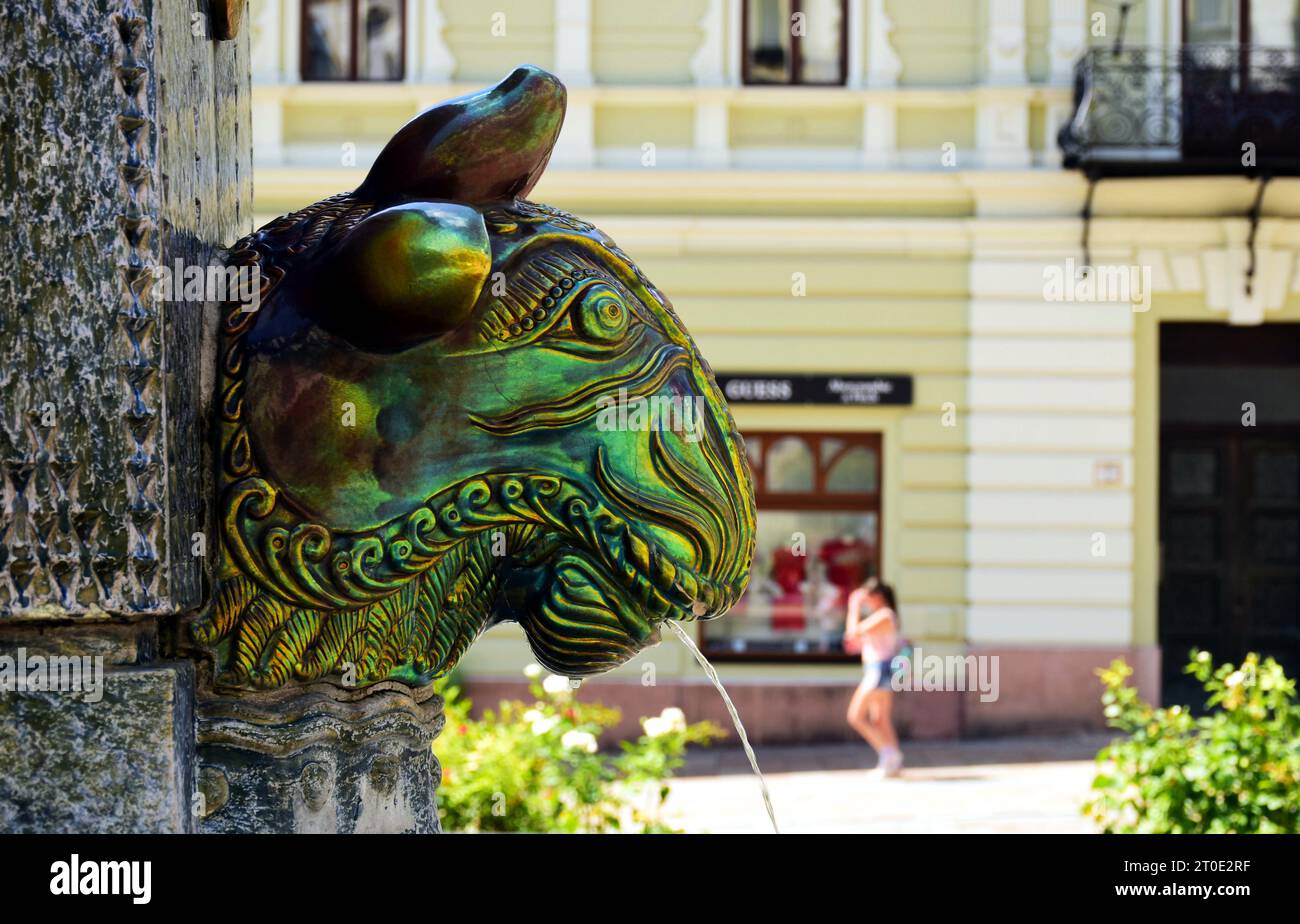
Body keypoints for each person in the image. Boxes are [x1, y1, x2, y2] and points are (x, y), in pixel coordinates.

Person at [844, 577, 902, 777]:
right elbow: (857, 640)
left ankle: (889, 755)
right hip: (880, 670)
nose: (865, 601)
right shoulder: (883, 616)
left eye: (867, 597)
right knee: (880, 720)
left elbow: (852, 631)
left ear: (877, 597)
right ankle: (893, 764)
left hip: (878, 670)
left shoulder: (885, 615)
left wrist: (853, 606)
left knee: (856, 716)